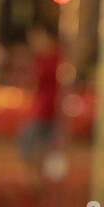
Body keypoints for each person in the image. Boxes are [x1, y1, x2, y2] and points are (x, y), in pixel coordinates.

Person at [19, 23, 62, 166]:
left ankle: (41, 180)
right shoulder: (39, 58)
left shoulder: (57, 58)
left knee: (41, 148)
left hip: (51, 110)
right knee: (35, 146)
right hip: (40, 109)